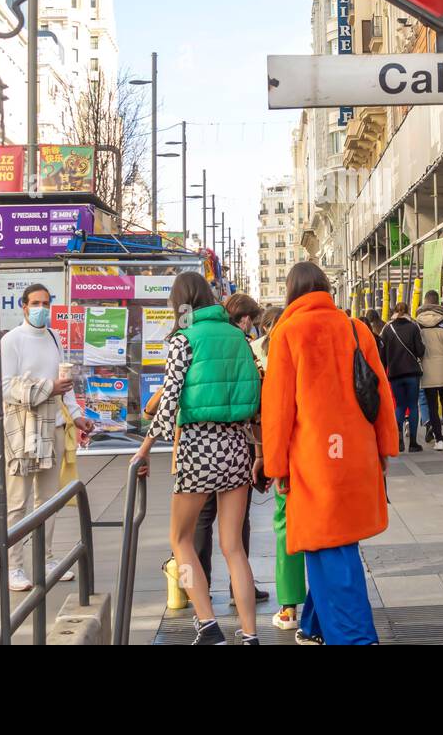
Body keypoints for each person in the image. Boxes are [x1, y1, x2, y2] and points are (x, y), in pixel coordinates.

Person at [262, 261, 399, 645]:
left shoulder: (288, 333)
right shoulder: (356, 329)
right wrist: (385, 447)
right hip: (356, 453)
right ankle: (313, 625)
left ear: (291, 292)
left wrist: (276, 467)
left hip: (313, 461)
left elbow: (278, 412)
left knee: (329, 546)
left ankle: (356, 638)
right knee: (332, 540)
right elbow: (381, 394)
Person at [131, 273, 262, 645]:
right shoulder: (239, 337)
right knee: (234, 546)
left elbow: (170, 397)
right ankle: (250, 634)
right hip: (236, 445)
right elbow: (253, 391)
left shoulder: (182, 340)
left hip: (198, 447)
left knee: (180, 540)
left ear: (182, 304)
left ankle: (207, 624)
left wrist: (145, 446)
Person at [1, 284, 95, 594]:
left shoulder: (53, 337)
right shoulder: (12, 341)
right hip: (24, 429)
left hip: (54, 426)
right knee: (17, 501)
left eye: (46, 302)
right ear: (24, 306)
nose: (42, 308)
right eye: (36, 303)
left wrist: (77, 415)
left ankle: (46, 558)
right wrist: (46, 388)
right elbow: (4, 388)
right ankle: (13, 565)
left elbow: (64, 384)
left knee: (48, 499)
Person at [190, 292, 268, 606]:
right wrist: (260, 452)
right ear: (245, 319)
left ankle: (198, 589)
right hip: (237, 444)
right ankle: (240, 591)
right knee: (237, 525)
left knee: (199, 520)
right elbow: (254, 400)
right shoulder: (243, 346)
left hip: (201, 444)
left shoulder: (196, 340)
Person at [253, 305, 306, 631]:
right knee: (324, 530)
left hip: (283, 454)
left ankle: (288, 608)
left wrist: (267, 459)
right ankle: (322, 601)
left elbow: (267, 414)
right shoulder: (303, 346)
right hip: (315, 452)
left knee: (286, 528)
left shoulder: (259, 354)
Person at [416, 290, 443, 450]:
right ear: (438, 303)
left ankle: (439, 440)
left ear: (425, 303)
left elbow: (416, 347)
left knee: (432, 405)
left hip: (426, 369)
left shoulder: (417, 324)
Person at [381, 300, 425, 452]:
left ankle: (398, 439)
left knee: (400, 405)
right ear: (407, 311)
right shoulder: (413, 327)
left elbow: (382, 356)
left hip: (395, 374)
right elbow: (420, 351)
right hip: (412, 373)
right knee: (413, 406)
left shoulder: (387, 330)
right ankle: (413, 443)